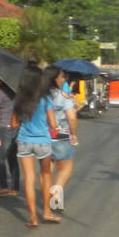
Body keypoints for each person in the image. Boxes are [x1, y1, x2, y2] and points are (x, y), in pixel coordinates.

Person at [11, 64, 61, 227]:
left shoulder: (18, 99)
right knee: (46, 174)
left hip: (24, 141)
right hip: (43, 142)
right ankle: (46, 211)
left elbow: (13, 124)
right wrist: (54, 126)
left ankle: (32, 217)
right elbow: (53, 123)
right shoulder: (45, 99)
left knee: (29, 179)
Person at [44, 65, 80, 211]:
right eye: (61, 77)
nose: (63, 79)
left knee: (46, 170)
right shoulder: (63, 96)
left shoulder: (40, 95)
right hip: (60, 133)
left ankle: (47, 198)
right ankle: (56, 195)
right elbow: (71, 118)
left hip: (42, 135)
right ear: (56, 79)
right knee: (65, 167)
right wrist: (73, 134)